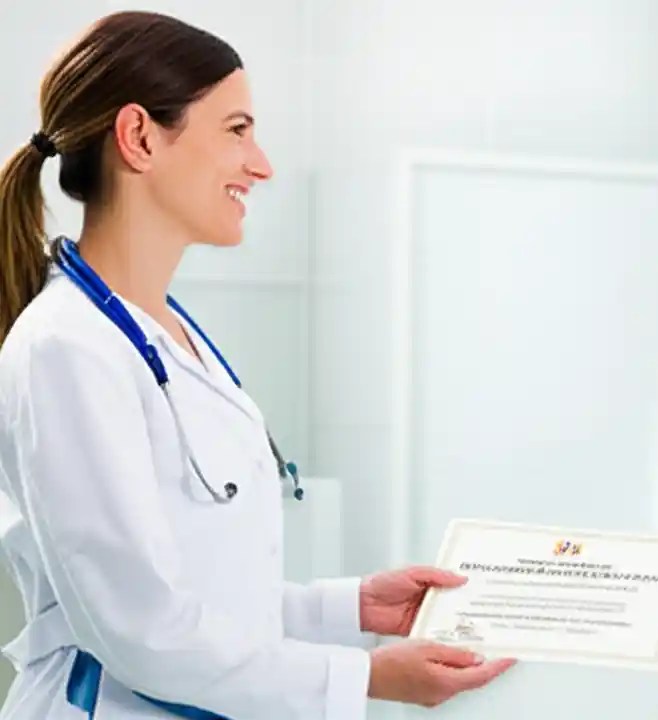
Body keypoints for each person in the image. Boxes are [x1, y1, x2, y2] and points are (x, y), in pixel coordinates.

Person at [0, 11, 514, 719]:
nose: (262, 164)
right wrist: (365, 677)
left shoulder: (169, 334)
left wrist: (350, 607)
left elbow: (204, 596)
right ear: (139, 137)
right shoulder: (66, 348)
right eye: (236, 130)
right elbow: (141, 628)